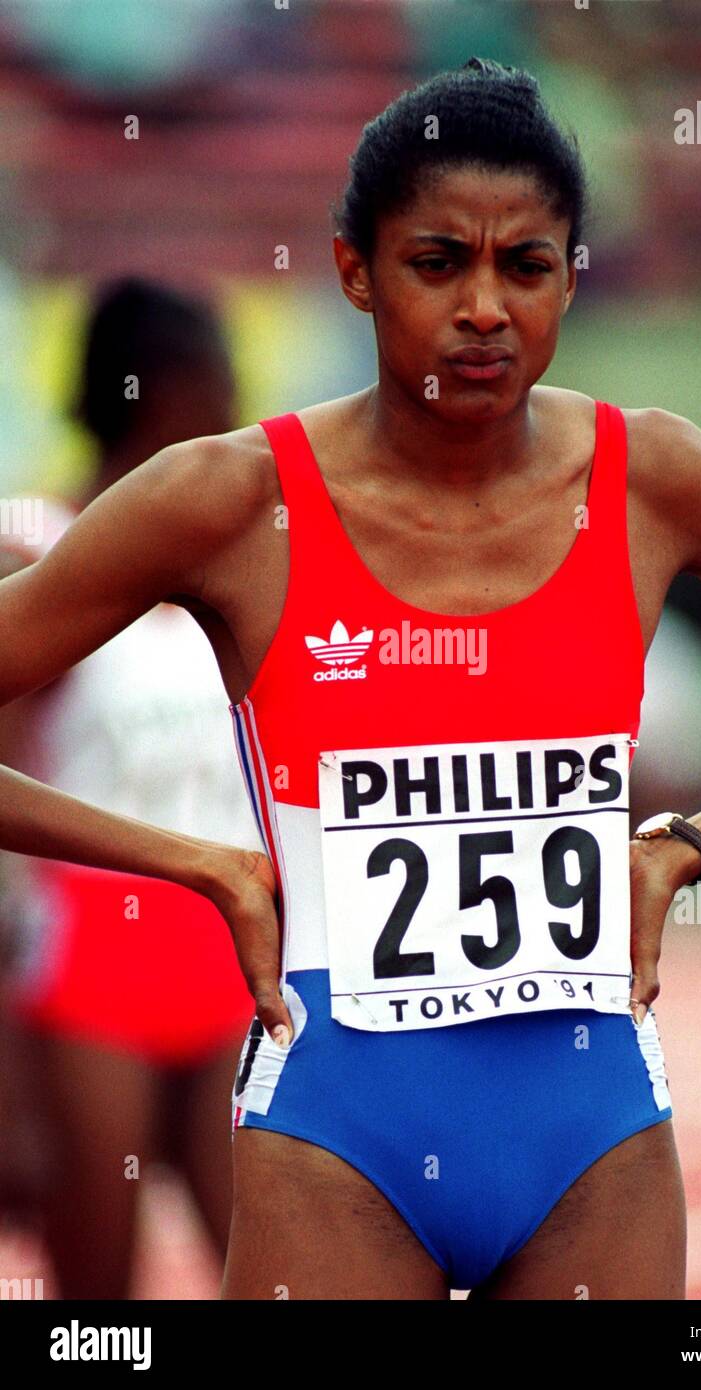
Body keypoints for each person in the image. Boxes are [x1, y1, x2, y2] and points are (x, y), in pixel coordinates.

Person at [0, 59, 701, 1301]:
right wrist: (195, 862)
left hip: (593, 1134)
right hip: (342, 1137)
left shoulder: (656, 480)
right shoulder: (235, 502)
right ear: (353, 268)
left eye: (526, 267)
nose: (483, 309)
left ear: (573, 274)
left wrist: (680, 845)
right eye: (436, 260)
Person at [0, 278, 260, 1299]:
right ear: (161, 393)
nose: (237, 404)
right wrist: (6, 1086)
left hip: (234, 955)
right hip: (88, 969)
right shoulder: (38, 550)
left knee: (273, 1267)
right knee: (101, 1304)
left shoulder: (240, 555)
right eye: (219, 380)